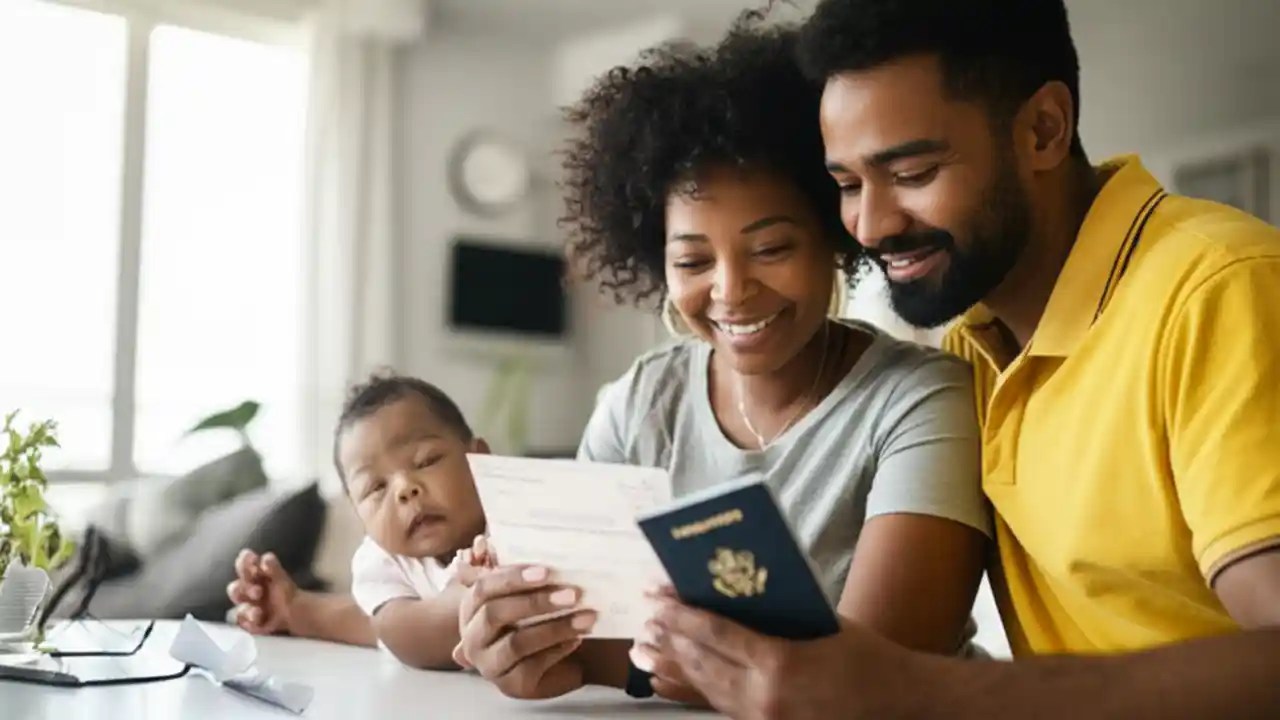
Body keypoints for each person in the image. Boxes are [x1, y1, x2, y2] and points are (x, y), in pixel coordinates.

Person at [630, 1, 1280, 717]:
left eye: (912, 171)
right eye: (847, 186)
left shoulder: (1219, 291)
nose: (872, 226)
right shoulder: (972, 336)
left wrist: (920, 689)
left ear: (1043, 130)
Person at [452, 17, 992, 705]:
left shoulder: (921, 399)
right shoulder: (638, 403)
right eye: (693, 260)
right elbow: (590, 633)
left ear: (834, 238)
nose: (732, 291)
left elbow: (871, 677)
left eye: (771, 250)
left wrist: (626, 665)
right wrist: (525, 640)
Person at [227, 374, 493, 668]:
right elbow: (397, 631)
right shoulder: (383, 561)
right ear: (358, 514)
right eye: (376, 488)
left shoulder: (516, 525)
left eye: (426, 461)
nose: (405, 488)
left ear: (480, 460)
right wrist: (294, 610)